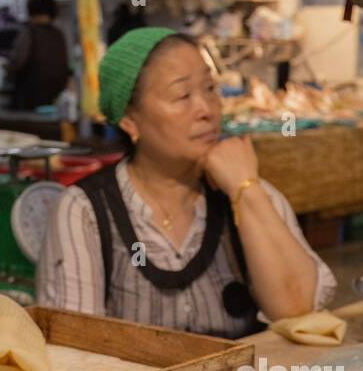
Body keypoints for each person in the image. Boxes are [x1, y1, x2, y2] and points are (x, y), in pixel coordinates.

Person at [36, 27, 334, 339]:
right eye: (182, 95)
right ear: (129, 121)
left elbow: (299, 312)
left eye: (210, 88)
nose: (206, 109)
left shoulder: (244, 190)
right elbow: (74, 348)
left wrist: (246, 189)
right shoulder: (84, 212)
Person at [8, 0, 69, 110]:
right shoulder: (58, 34)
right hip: (56, 98)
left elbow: (17, 62)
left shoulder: (29, 33)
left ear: (30, 10)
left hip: (30, 99)